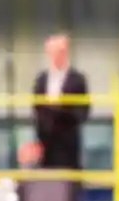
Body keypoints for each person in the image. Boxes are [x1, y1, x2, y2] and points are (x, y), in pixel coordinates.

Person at [26, 34, 90, 170]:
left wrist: (60, 111)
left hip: (68, 143)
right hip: (45, 141)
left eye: (60, 51)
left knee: (68, 181)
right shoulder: (41, 79)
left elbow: (83, 112)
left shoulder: (77, 79)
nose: (56, 56)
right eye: (53, 52)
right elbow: (36, 107)